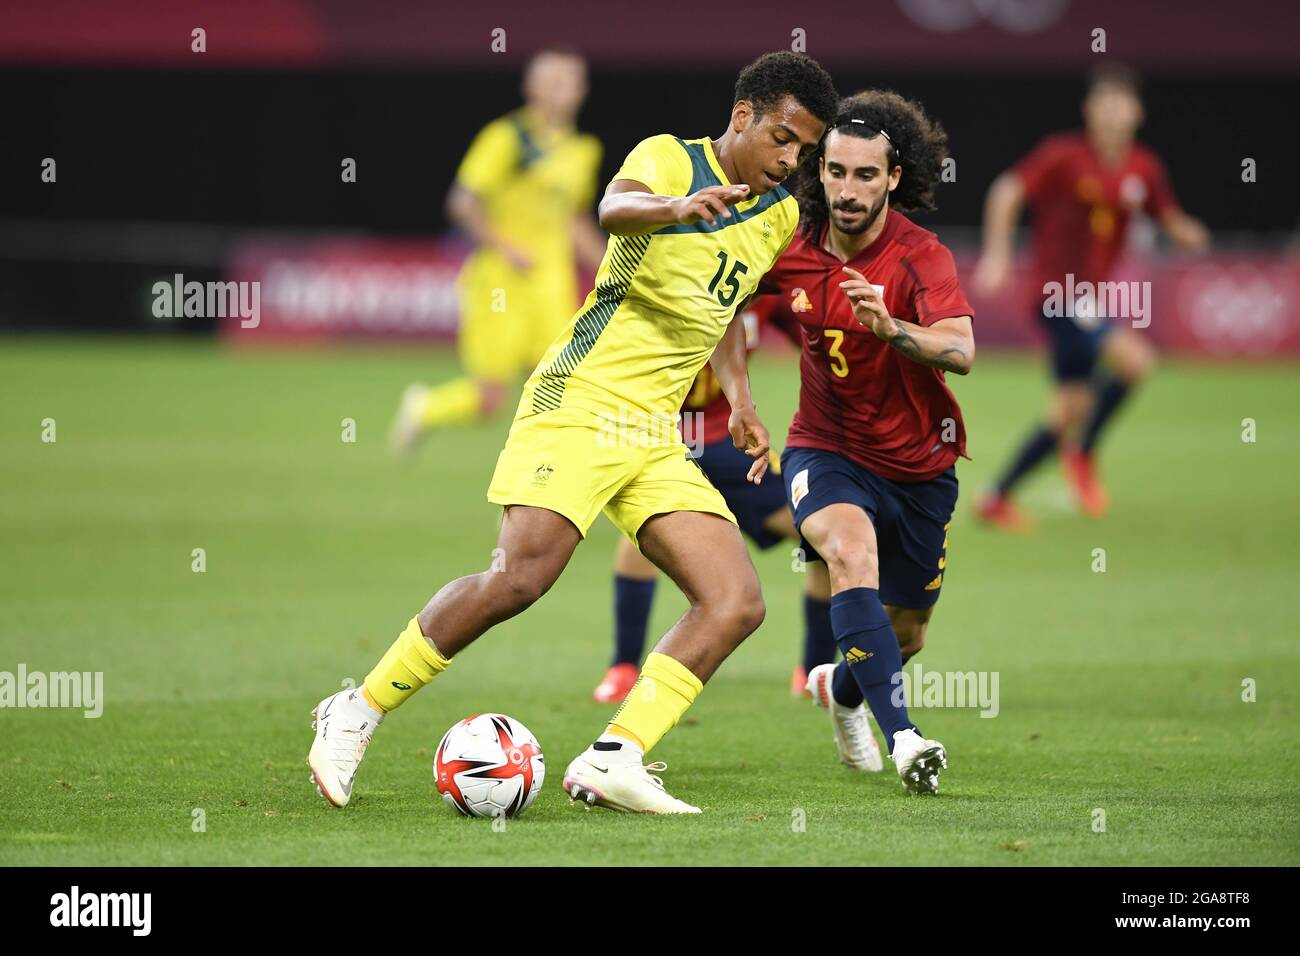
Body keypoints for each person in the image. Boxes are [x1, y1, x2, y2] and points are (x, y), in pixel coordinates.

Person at [310, 52, 838, 814]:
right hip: (583, 398)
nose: (791, 160)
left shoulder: (780, 213)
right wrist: (674, 209)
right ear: (744, 116)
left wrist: (743, 398)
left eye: (805, 150)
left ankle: (615, 756)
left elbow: (726, 307)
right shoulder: (668, 159)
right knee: (521, 576)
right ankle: (355, 710)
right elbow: (613, 210)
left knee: (735, 600)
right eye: (783, 138)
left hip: (655, 428)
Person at [765, 90, 976, 793]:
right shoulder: (787, 243)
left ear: (894, 177)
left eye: (865, 175)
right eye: (835, 172)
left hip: (919, 466)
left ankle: (846, 691)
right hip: (824, 448)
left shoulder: (920, 257)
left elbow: (962, 349)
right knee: (849, 553)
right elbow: (725, 307)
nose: (847, 190)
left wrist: (894, 332)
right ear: (816, 171)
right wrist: (737, 395)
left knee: (908, 634)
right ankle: (907, 738)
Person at [973, 65, 1209, 527]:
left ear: (1138, 113)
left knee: (1069, 408)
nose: (1112, 113)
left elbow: (1168, 216)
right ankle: (1081, 453)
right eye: (1104, 103)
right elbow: (1006, 191)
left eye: (1121, 103)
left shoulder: (1143, 167)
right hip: (1056, 293)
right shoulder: (1063, 156)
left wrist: (1190, 233)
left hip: (1089, 300)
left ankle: (996, 496)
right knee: (1135, 360)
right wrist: (997, 256)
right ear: (1089, 110)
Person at [592, 300, 835, 705]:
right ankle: (622, 669)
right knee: (642, 539)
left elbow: (817, 343)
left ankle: (813, 675)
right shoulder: (677, 282)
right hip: (665, 438)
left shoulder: (767, 285)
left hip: (732, 445)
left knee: (819, 535)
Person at [390, 48, 607, 453]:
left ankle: (537, 498)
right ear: (531, 88)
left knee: (560, 389)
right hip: (500, 281)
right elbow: (462, 202)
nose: (564, 91)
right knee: (489, 400)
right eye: (554, 82)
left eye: (572, 82)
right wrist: (507, 248)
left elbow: (573, 222)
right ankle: (425, 407)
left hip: (550, 284)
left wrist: (614, 268)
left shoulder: (583, 151)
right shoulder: (507, 139)